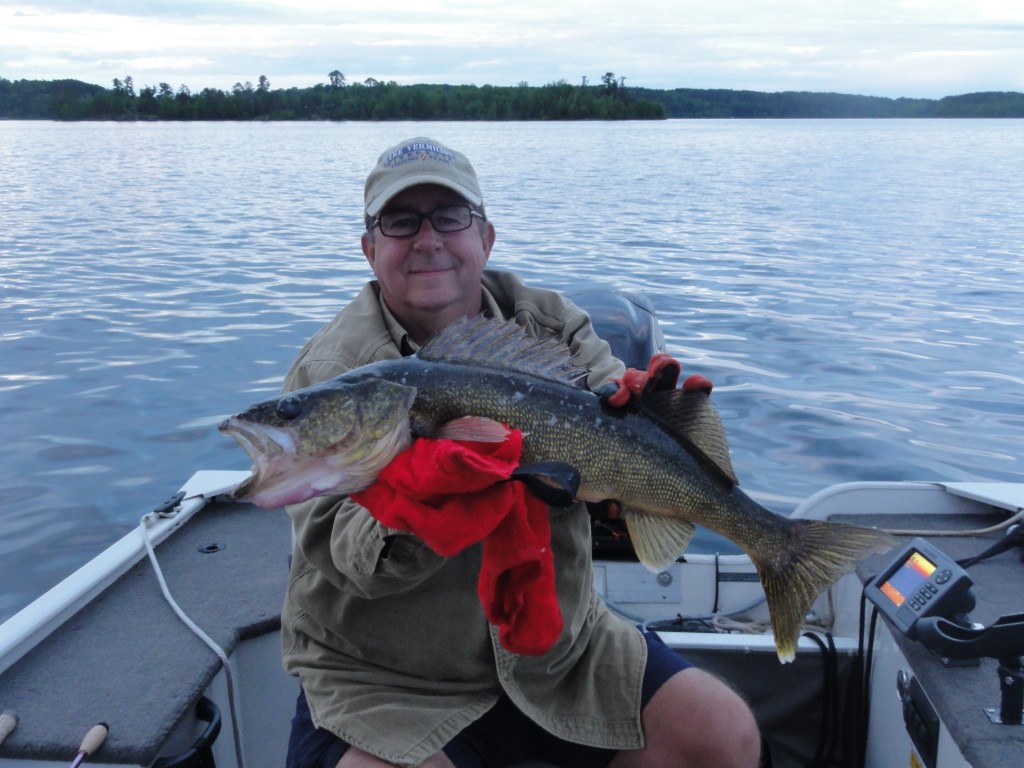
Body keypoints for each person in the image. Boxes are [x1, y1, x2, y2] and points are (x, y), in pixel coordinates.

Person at [281, 137, 761, 768]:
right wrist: (421, 505)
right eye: (400, 222)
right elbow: (342, 556)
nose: (427, 240)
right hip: (388, 678)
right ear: (370, 249)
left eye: (449, 217)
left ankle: (781, 550)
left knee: (723, 735)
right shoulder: (332, 383)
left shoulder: (553, 325)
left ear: (486, 238)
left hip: (561, 651)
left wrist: (651, 417)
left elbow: (614, 409)